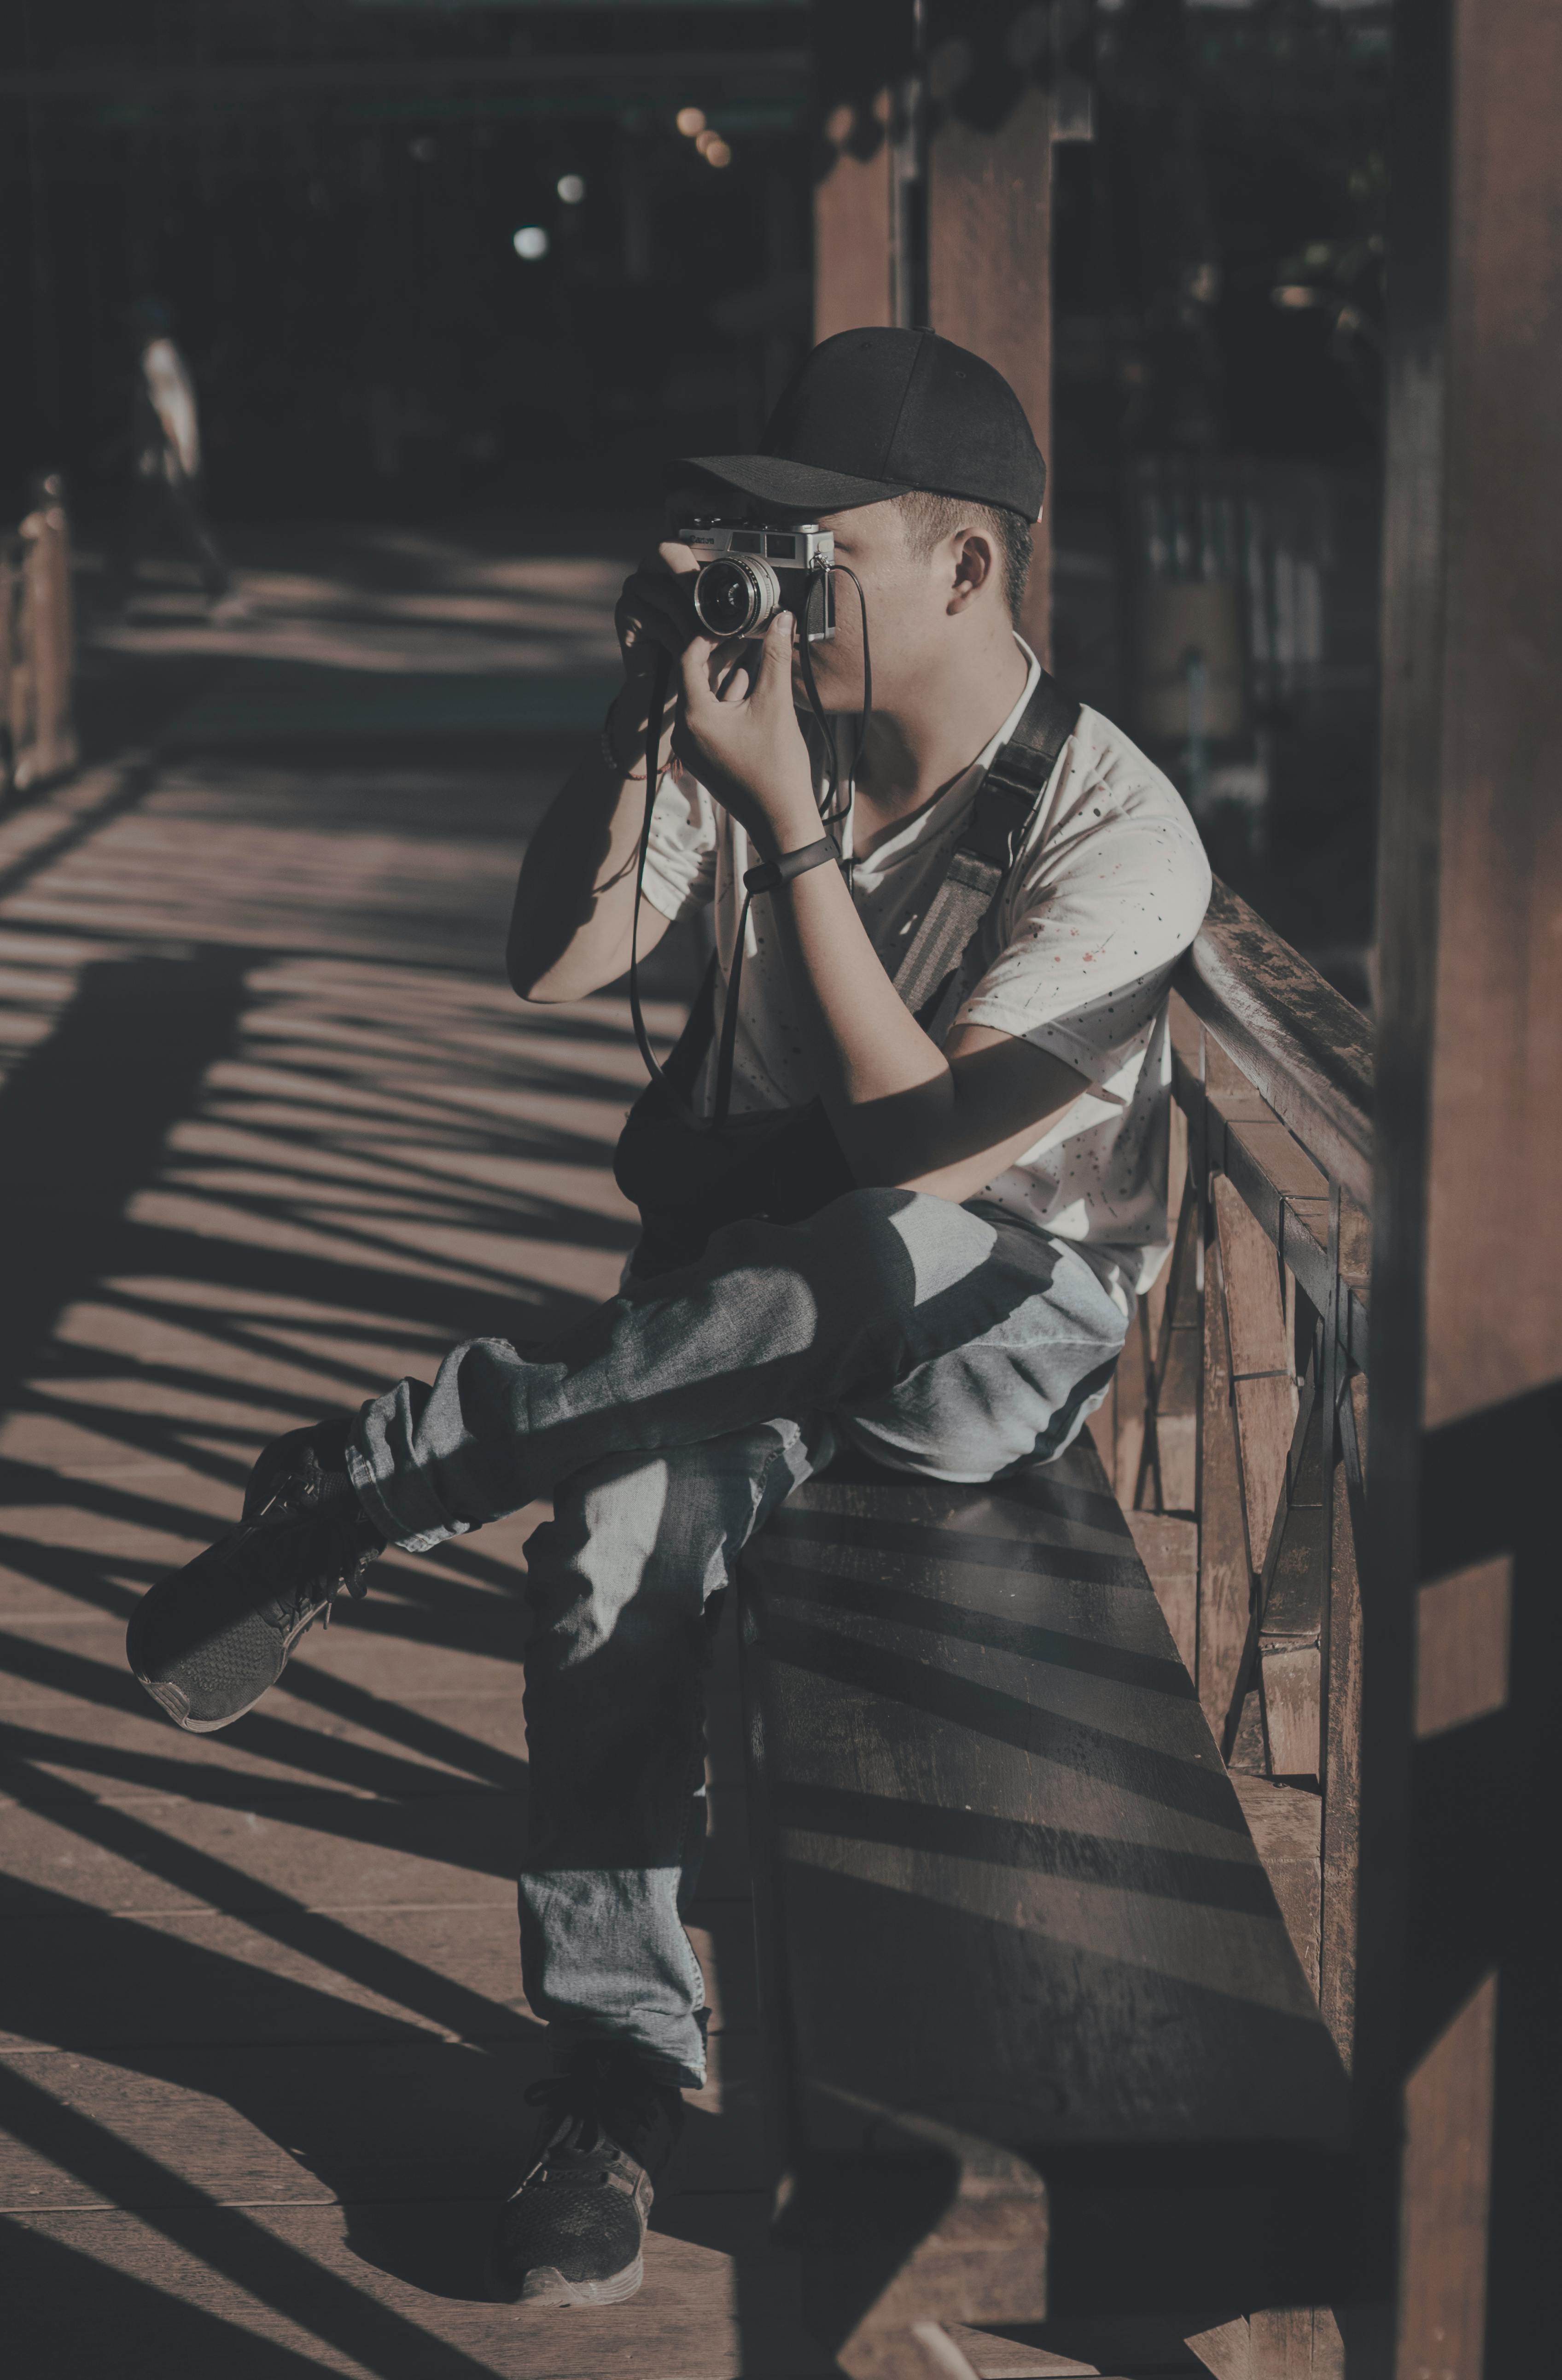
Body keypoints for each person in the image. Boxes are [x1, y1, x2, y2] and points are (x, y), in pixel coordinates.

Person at [123, 328, 1212, 2309]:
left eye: (820, 547)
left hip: (997, 1330)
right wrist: (640, 717)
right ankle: (618, 2072)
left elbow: (913, 1152)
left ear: (969, 567)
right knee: (613, 1539)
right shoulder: (772, 722)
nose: (776, 588)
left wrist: (786, 824)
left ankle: (364, 1483)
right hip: (748, 1316)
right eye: (751, 545)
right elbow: (555, 962)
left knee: (865, 1250)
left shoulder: (1113, 825)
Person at [111, 295, 241, 615]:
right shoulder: (170, 357)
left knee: (172, 528)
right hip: (163, 464)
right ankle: (116, 591)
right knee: (149, 528)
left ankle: (221, 588)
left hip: (163, 467)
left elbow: (167, 415)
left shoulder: (154, 361)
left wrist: (182, 461)